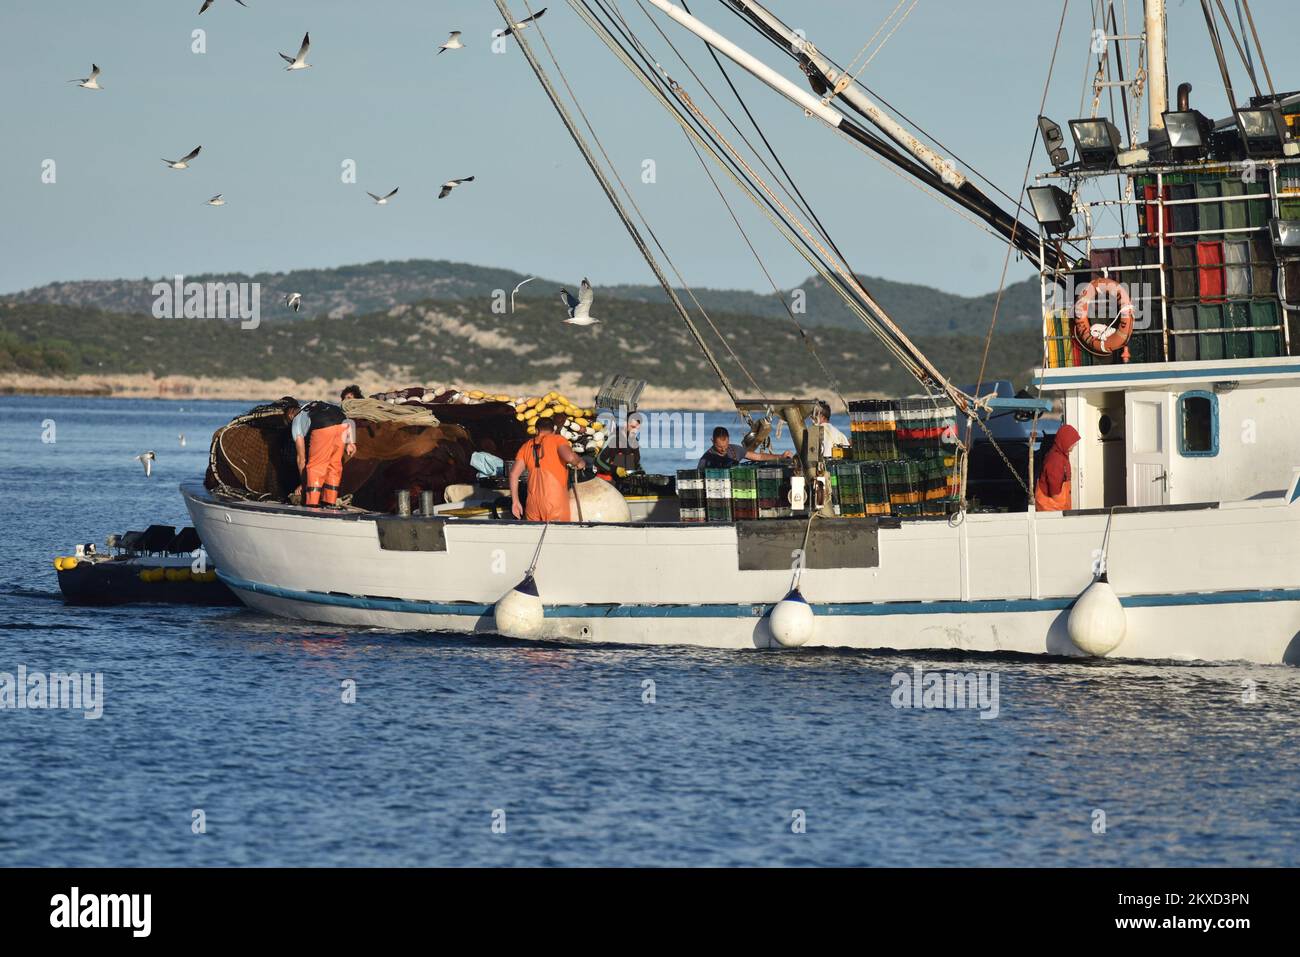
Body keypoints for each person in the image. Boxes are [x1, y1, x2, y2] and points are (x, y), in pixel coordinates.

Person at [287, 398, 357, 508]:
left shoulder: (296, 420)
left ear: (290, 414)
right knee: (334, 466)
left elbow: (301, 459)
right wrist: (351, 442)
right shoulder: (313, 406)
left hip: (323, 425)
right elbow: (348, 420)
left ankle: (312, 505)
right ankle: (330, 503)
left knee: (315, 467)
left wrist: (304, 484)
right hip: (344, 424)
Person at [509, 417, 583, 521]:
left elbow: (513, 474)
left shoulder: (526, 446)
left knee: (535, 536)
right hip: (555, 503)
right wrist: (580, 462)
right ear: (553, 430)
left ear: (536, 430)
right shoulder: (557, 439)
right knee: (557, 536)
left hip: (533, 505)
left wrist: (515, 502)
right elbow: (570, 458)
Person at [697, 426, 792, 470]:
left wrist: (781, 456)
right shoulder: (705, 459)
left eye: (725, 446)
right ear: (712, 441)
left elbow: (759, 457)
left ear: (729, 440)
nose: (723, 449)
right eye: (719, 447)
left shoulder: (735, 450)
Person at [1034, 424, 1080, 512]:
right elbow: (1054, 488)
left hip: (1058, 508)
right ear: (1065, 441)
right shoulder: (1056, 459)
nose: (1073, 446)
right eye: (1072, 443)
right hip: (1052, 509)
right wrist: (1060, 511)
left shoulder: (1061, 455)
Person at [593, 411, 643, 476]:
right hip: (607, 476)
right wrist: (615, 470)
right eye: (633, 427)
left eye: (637, 428)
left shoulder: (634, 441)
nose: (635, 431)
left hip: (625, 476)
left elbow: (636, 462)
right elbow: (598, 461)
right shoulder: (615, 438)